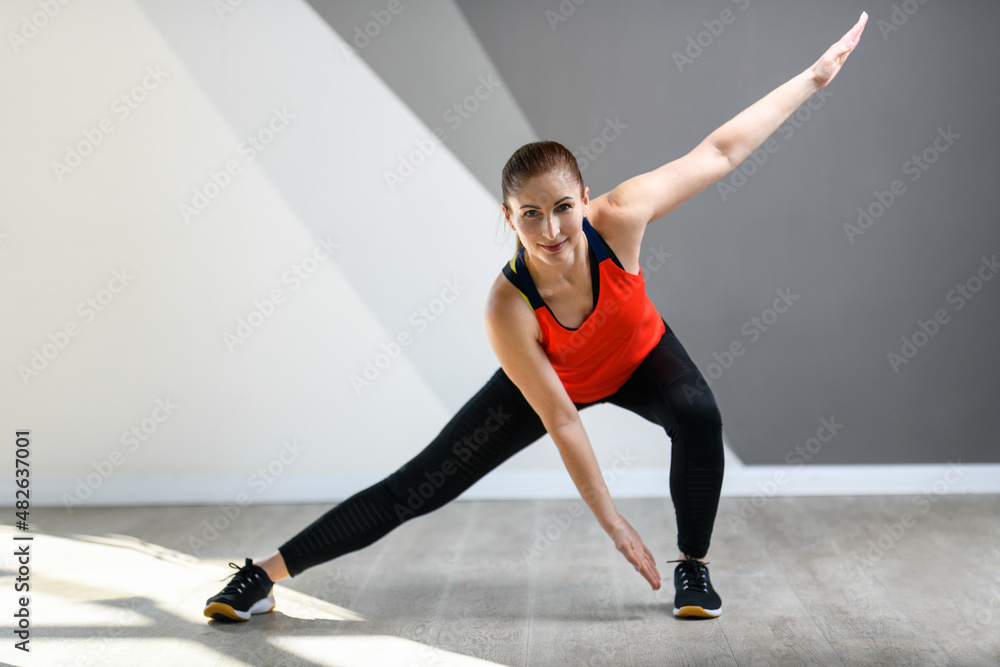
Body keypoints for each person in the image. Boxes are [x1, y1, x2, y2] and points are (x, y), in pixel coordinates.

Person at [204, 11, 868, 622]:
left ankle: (692, 568)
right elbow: (560, 418)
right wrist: (614, 522)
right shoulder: (507, 304)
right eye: (529, 213)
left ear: (584, 196)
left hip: (641, 357)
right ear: (508, 216)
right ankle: (260, 576)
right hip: (557, 386)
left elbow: (720, 152)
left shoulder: (624, 214)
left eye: (561, 207)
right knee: (418, 486)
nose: (550, 228)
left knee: (698, 414)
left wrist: (812, 78)